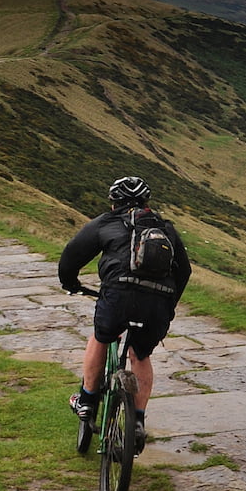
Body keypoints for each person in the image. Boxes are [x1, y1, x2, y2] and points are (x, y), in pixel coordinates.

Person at [58, 175, 191, 451]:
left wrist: (71, 284)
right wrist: (169, 304)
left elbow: (72, 254)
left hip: (118, 295)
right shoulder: (165, 228)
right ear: (146, 202)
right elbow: (184, 271)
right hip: (158, 303)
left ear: (113, 202)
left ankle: (87, 399)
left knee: (102, 336)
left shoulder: (106, 223)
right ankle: (138, 421)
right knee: (140, 354)